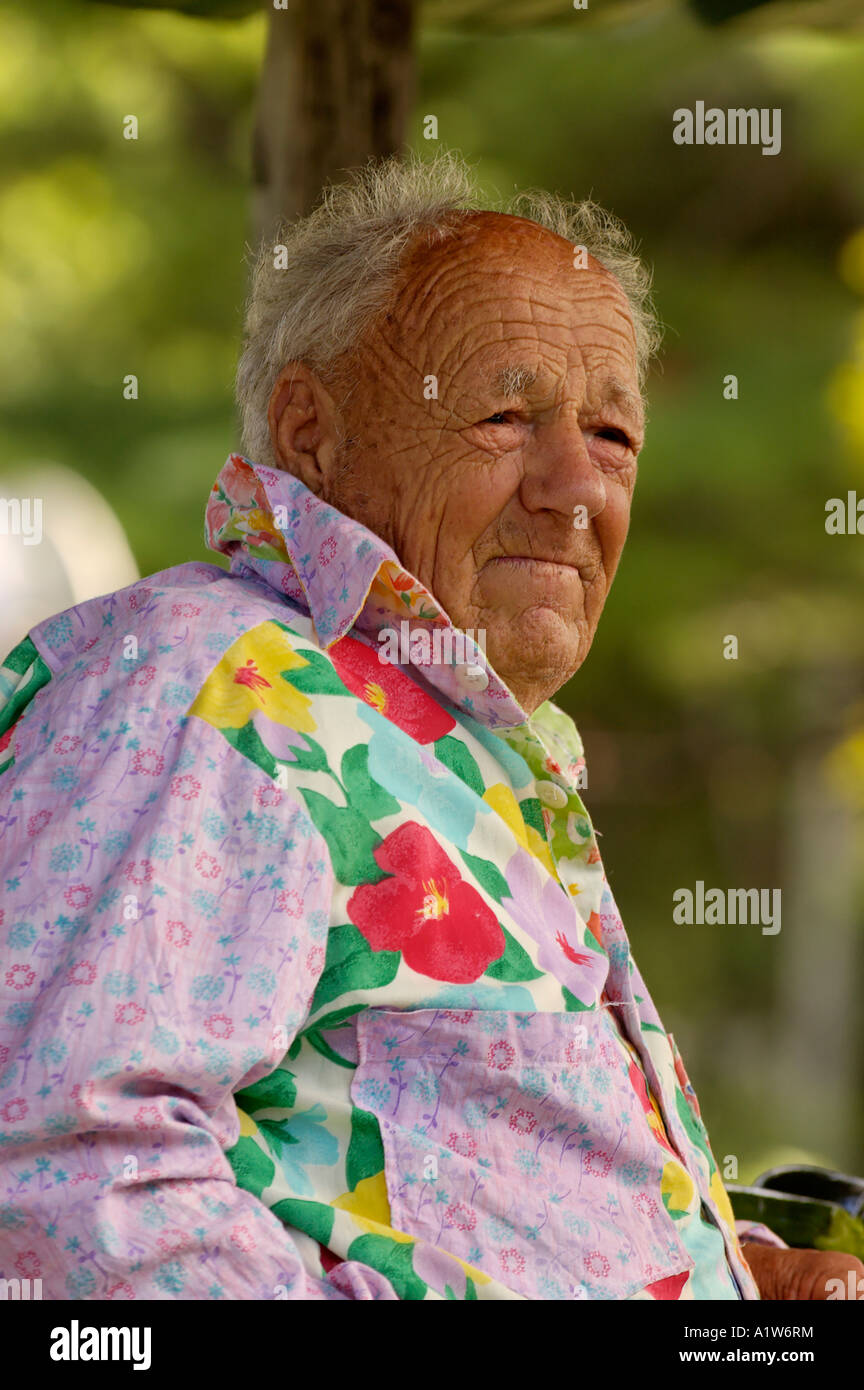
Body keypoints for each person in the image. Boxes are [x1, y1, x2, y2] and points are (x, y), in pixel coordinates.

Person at [0, 152, 859, 1301]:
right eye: (506, 414)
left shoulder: (444, 739)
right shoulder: (216, 681)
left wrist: (737, 1280)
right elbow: (56, 1173)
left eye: (613, 437)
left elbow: (426, 1205)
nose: (573, 487)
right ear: (312, 429)